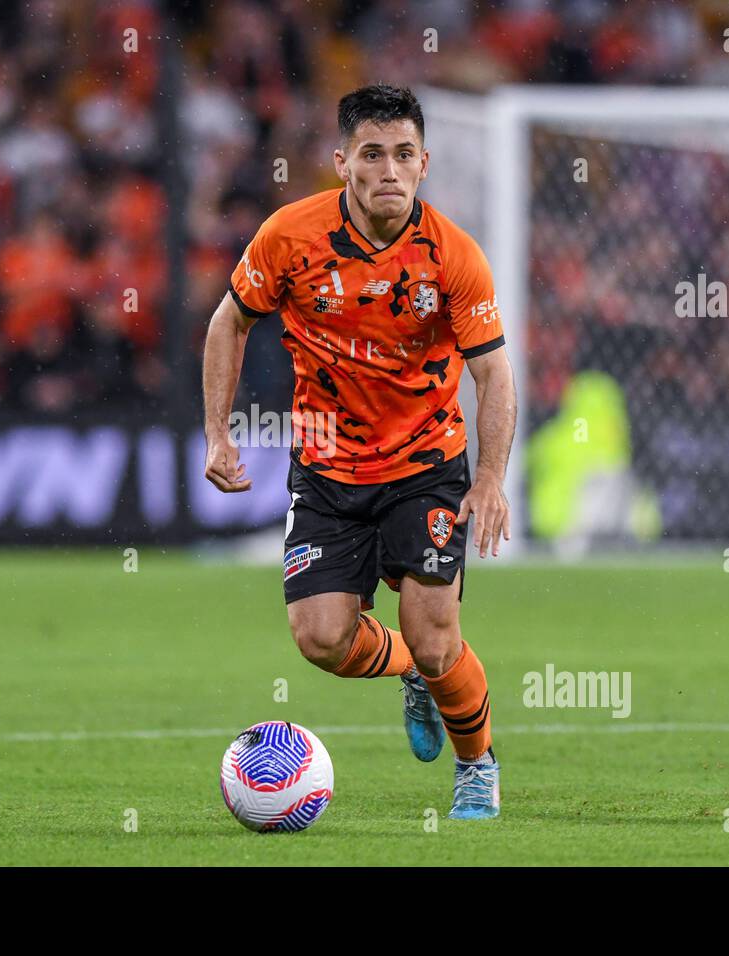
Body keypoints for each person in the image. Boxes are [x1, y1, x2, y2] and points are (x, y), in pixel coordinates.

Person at [201, 84, 517, 819]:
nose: (389, 170)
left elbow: (493, 371)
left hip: (425, 467)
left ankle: (477, 766)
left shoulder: (452, 257)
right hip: (325, 469)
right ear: (342, 162)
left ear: (424, 163)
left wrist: (492, 477)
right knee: (321, 640)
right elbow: (228, 322)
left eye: (403, 154)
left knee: (438, 638)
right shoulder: (290, 237)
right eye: (372, 154)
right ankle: (411, 673)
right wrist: (218, 430)